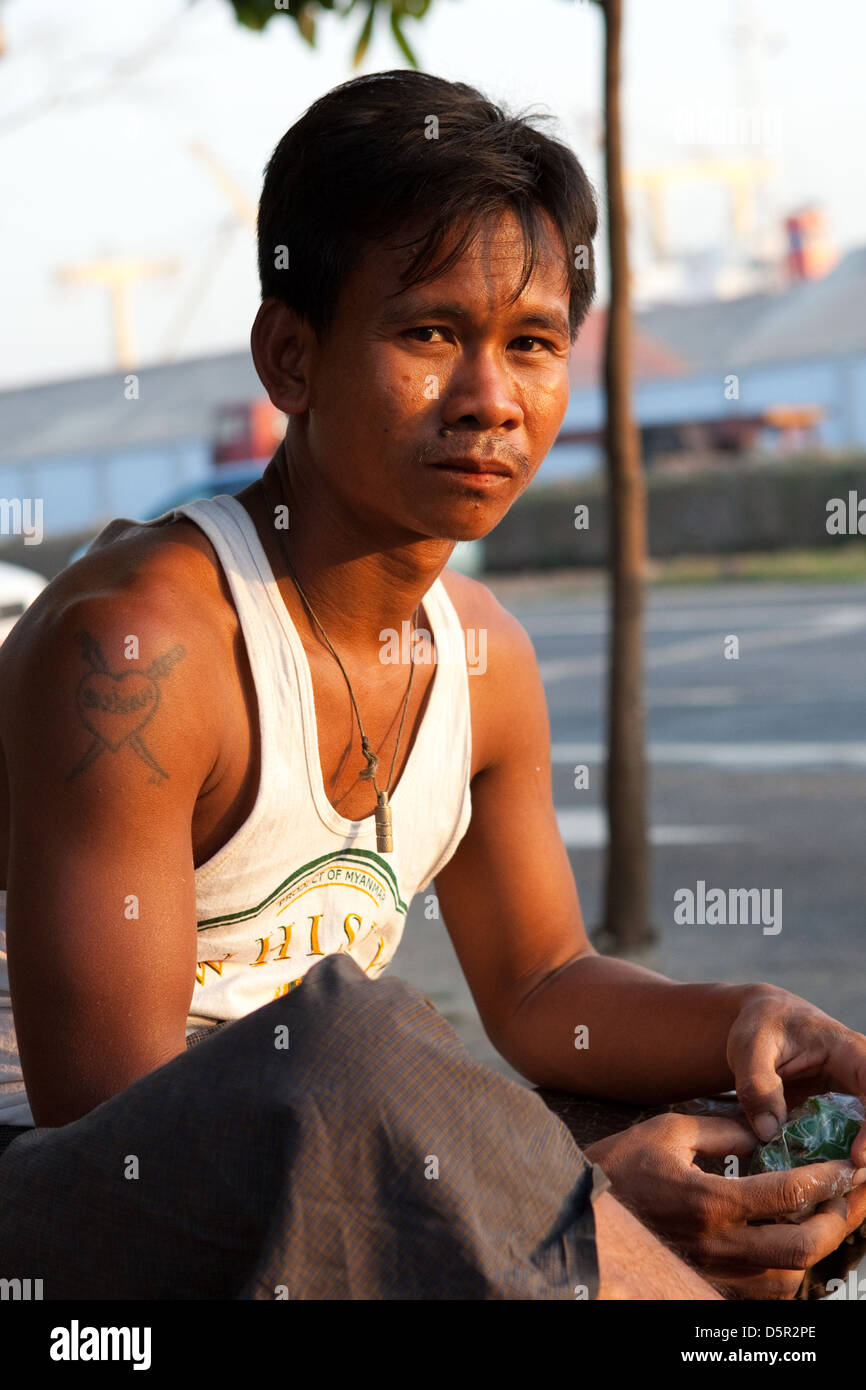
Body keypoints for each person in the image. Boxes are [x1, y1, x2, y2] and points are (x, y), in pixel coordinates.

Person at [0, 69, 863, 1301]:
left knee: (735, 1122)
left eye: (531, 344)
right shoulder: (141, 649)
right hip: (60, 1187)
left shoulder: (482, 656)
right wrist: (576, 1194)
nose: (490, 401)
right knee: (363, 1040)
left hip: (323, 1153)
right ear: (289, 356)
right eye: (428, 335)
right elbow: (128, 1136)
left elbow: (542, 987)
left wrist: (749, 1017)